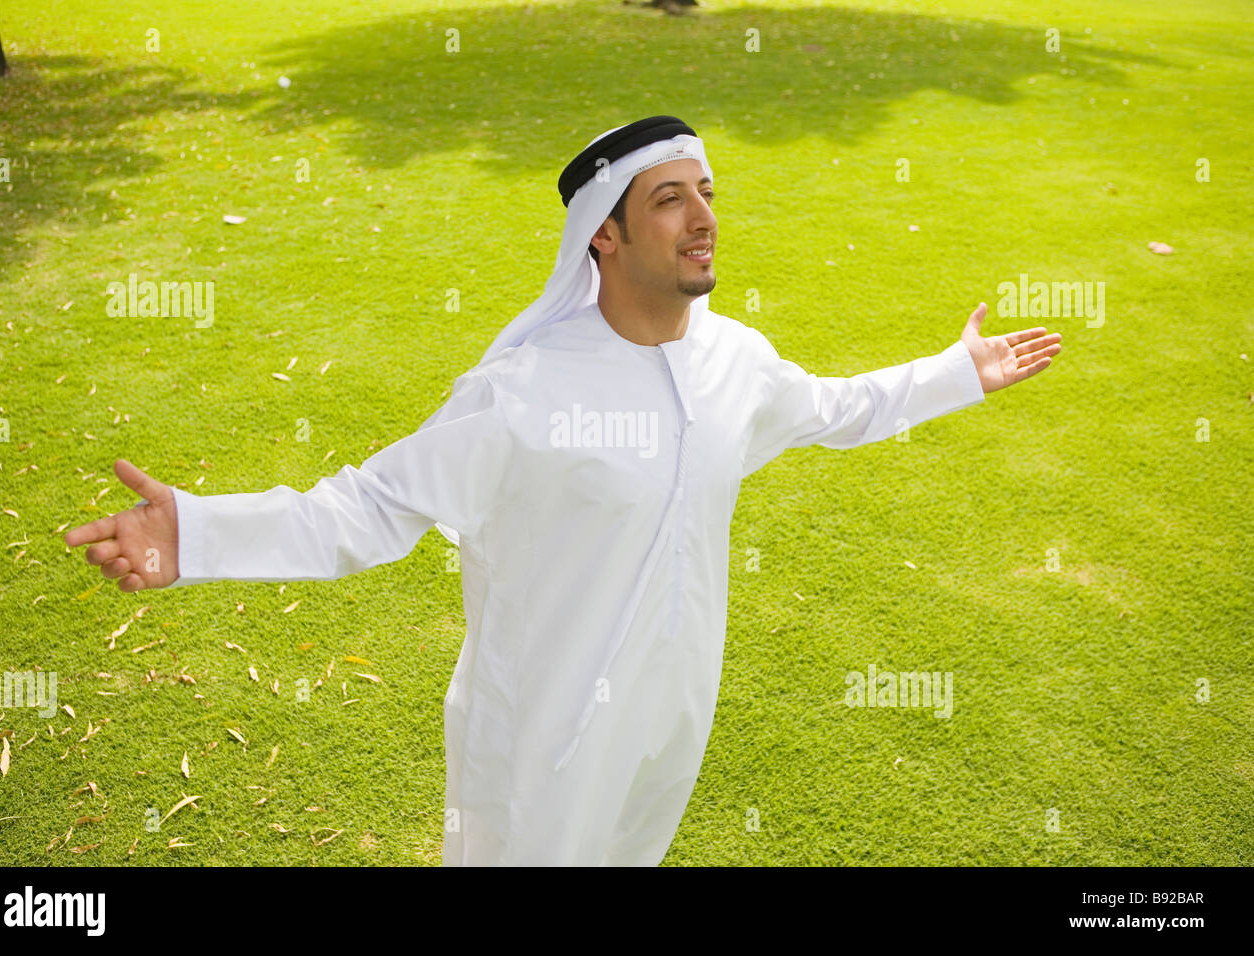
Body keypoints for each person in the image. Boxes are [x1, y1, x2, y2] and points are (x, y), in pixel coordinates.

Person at [64, 116, 1062, 865]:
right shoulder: (521, 395)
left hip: (669, 719)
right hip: (537, 738)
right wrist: (196, 534)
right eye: (670, 198)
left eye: (706, 191)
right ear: (605, 234)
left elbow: (834, 407)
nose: (705, 217)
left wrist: (956, 371)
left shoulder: (735, 363)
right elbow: (368, 507)